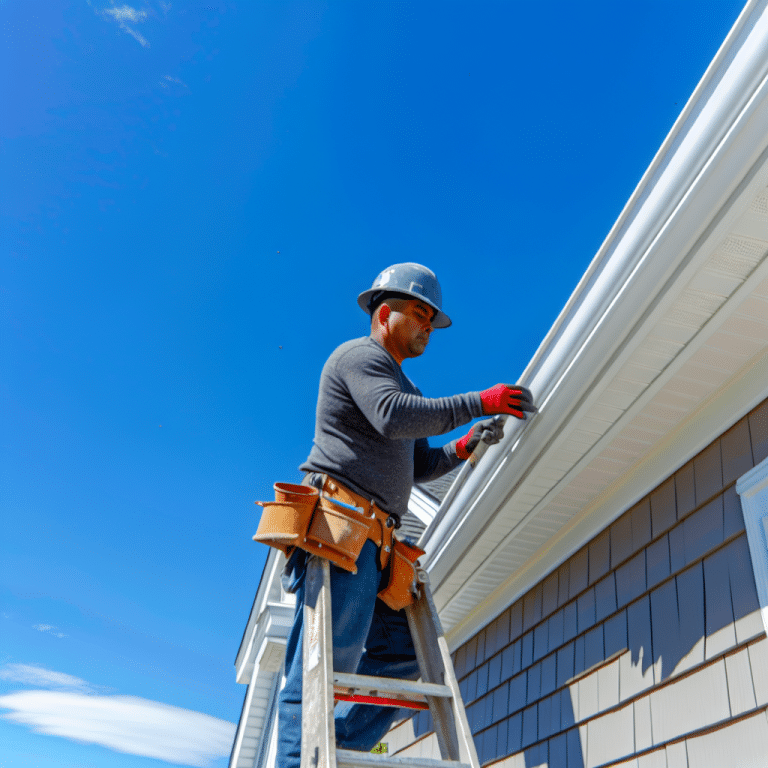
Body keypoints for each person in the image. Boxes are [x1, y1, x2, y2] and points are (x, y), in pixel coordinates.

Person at [276, 263, 536, 768]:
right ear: (385, 312)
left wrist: (462, 448)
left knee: (406, 654)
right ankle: (298, 761)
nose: (426, 329)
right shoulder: (358, 358)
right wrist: (479, 401)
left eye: (430, 321)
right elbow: (391, 417)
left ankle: (335, 747)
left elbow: (417, 465)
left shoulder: (409, 388)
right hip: (341, 529)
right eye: (419, 315)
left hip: (377, 543)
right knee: (324, 665)